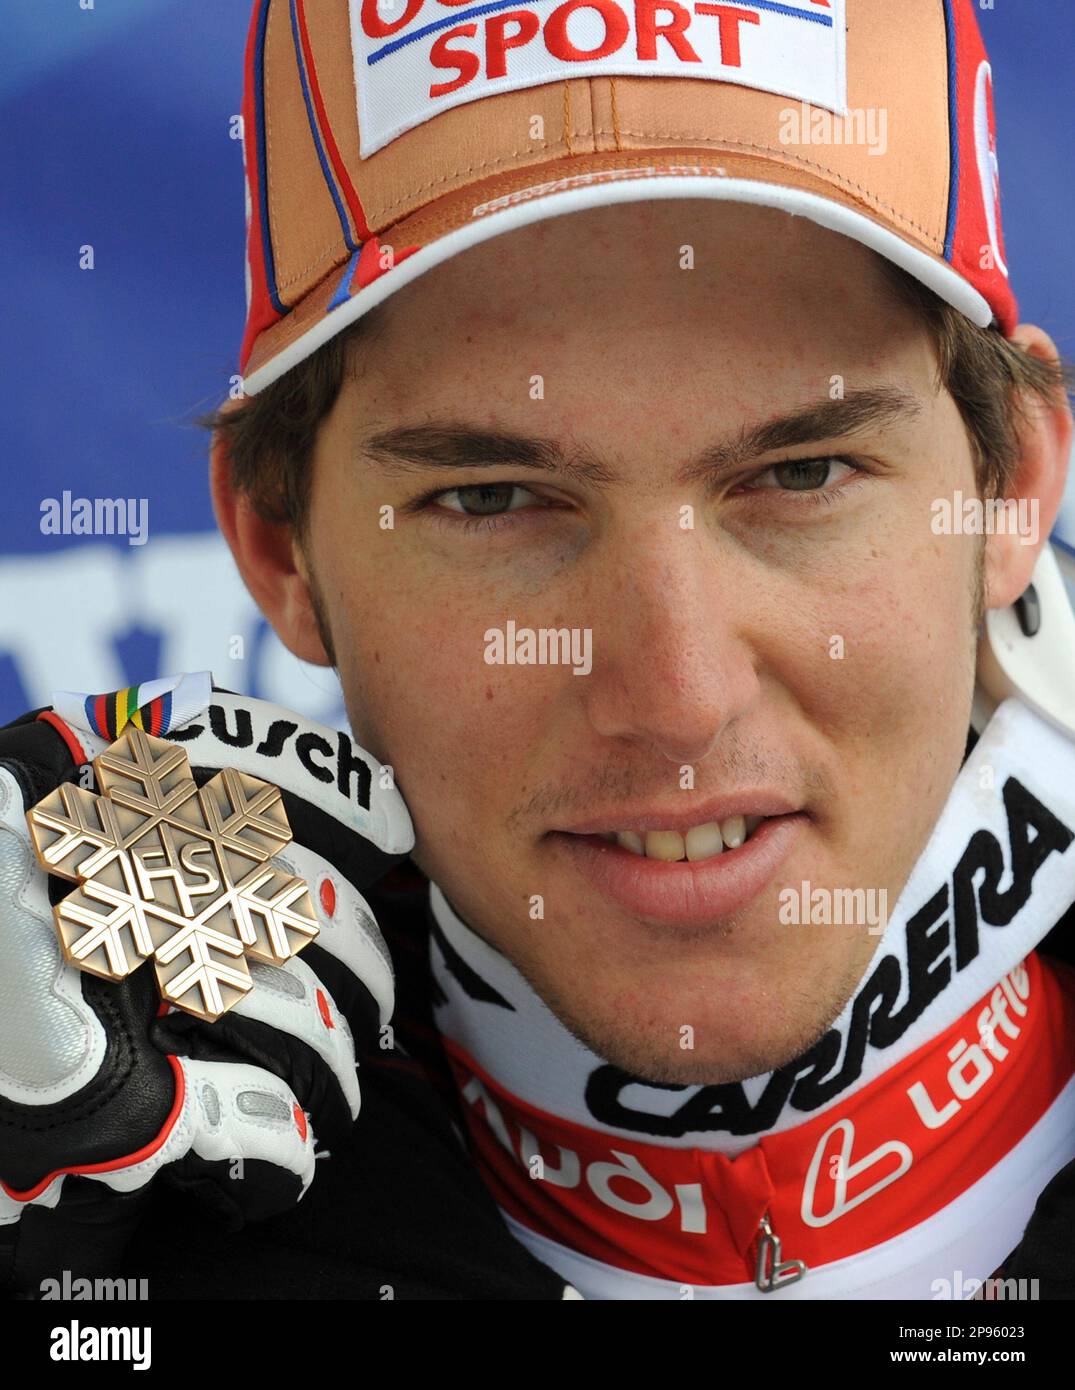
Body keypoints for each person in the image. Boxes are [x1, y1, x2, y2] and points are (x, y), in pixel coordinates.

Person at [2, 0, 1075, 1300]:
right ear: (280, 549)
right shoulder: (117, 1227)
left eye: (801, 471)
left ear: (1013, 484)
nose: (678, 698)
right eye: (496, 498)